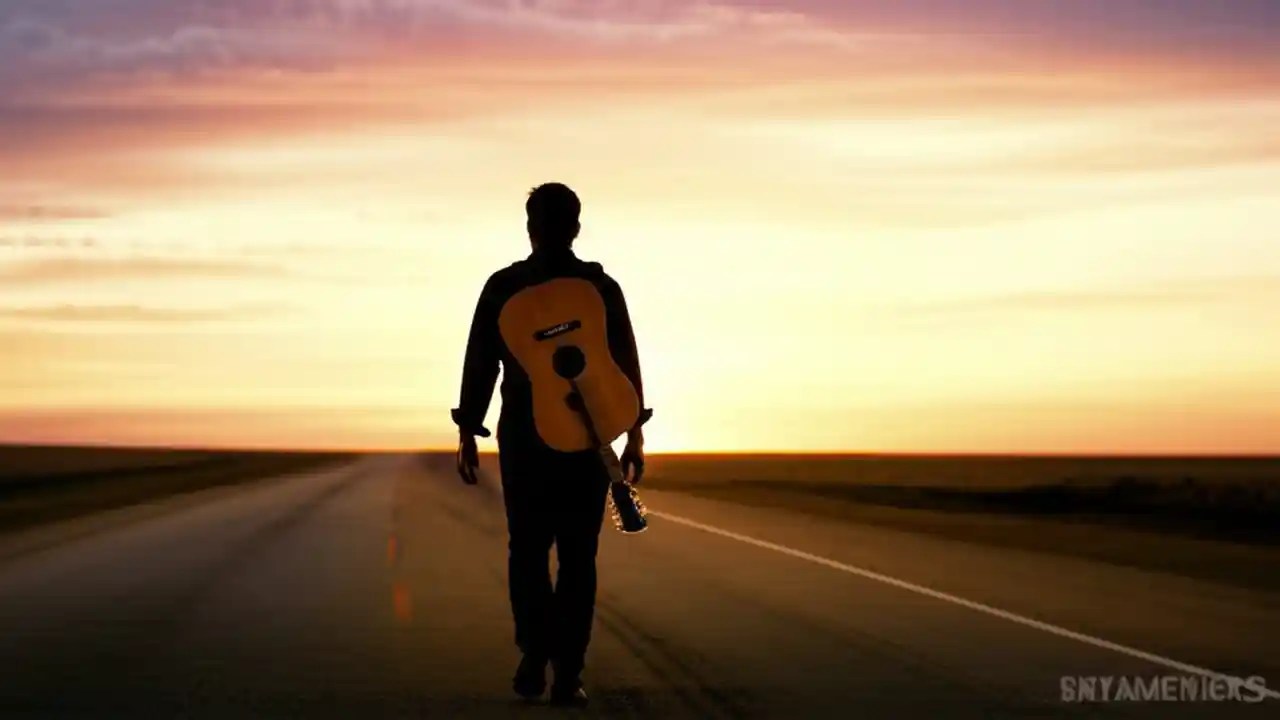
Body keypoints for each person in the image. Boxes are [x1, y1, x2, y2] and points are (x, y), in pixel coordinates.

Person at [451, 182, 653, 707]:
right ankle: (567, 672)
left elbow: (480, 363)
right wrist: (634, 433)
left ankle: (535, 654)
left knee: (528, 550)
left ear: (529, 226)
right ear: (576, 226)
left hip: (524, 435)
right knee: (578, 558)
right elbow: (626, 363)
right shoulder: (599, 286)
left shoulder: (503, 287)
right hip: (589, 437)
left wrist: (468, 430)